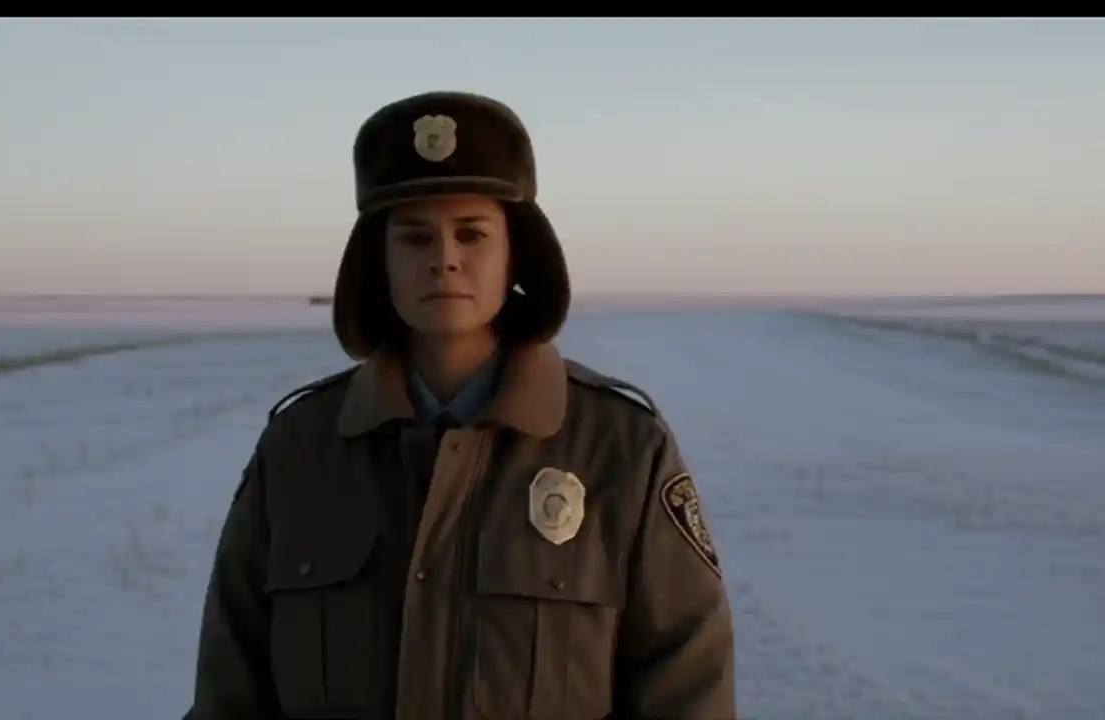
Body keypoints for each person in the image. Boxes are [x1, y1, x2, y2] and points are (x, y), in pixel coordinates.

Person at [183, 90, 735, 720]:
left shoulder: (620, 447)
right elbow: (231, 685)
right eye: (414, 238)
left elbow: (688, 687)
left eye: (471, 234)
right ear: (378, 263)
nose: (444, 258)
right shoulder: (300, 449)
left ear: (514, 256)